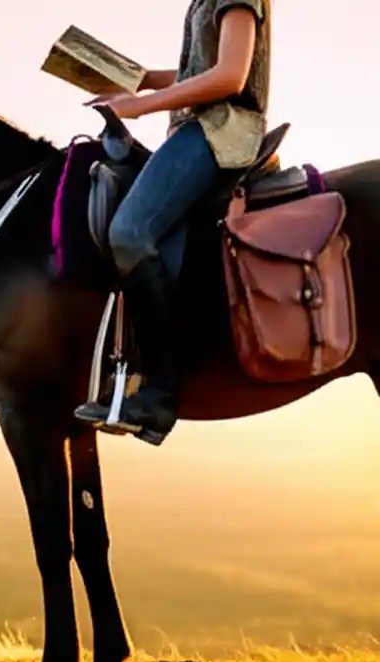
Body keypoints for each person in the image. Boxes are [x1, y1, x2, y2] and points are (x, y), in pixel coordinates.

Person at [73, 0, 272, 445]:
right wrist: (140, 81)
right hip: (192, 129)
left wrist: (140, 108)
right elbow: (198, 72)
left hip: (223, 130)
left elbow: (229, 76)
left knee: (128, 232)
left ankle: (160, 389)